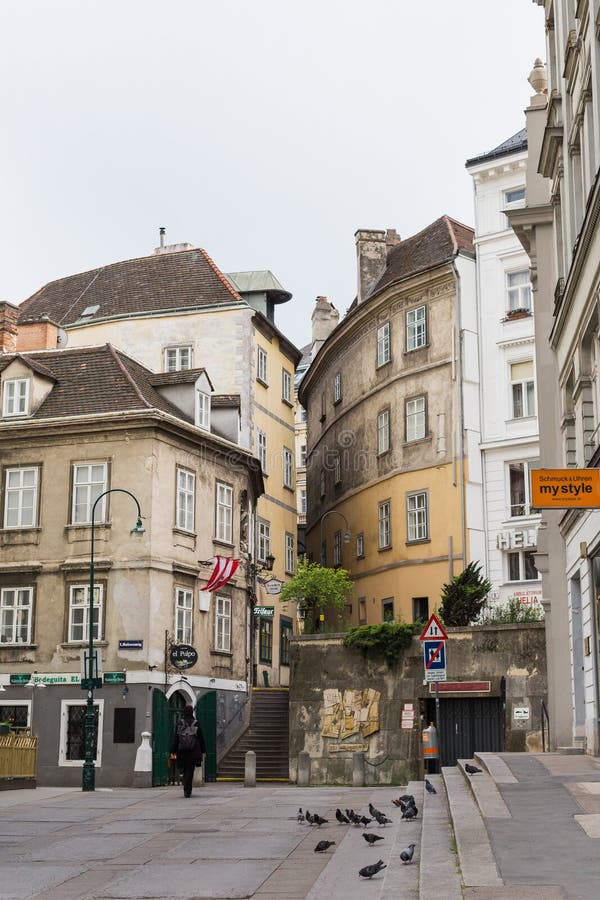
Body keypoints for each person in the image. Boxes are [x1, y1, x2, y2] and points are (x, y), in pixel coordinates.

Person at [170, 704, 206, 798]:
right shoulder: (196, 723)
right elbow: (201, 738)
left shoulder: (180, 723)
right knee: (190, 770)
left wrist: (173, 750)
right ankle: (187, 790)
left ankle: (186, 787)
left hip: (182, 750)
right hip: (193, 751)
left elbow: (176, 738)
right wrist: (203, 750)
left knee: (185, 770)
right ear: (192, 712)